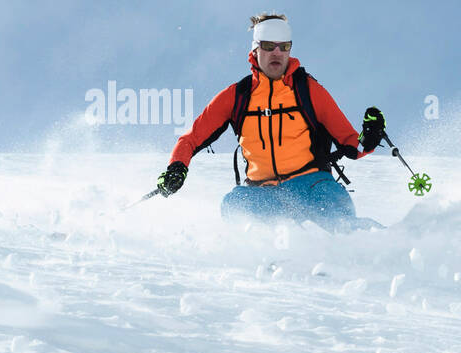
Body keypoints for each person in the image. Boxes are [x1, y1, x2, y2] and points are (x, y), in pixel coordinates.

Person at [154, 13, 387, 231]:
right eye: (268, 46)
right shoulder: (237, 96)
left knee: (342, 226)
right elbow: (191, 138)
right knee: (233, 204)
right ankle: (268, 263)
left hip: (313, 187)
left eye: (283, 47)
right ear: (255, 49)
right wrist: (177, 167)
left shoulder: (308, 90)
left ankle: (390, 246)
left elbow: (350, 143)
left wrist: (370, 138)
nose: (276, 53)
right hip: (262, 195)